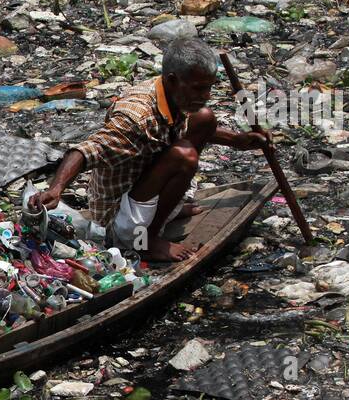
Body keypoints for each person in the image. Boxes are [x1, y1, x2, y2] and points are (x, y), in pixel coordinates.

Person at [31, 37, 271, 262]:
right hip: (119, 215)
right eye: (198, 89)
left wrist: (237, 141)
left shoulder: (170, 95)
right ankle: (146, 241)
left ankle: (169, 209)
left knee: (205, 118)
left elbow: (181, 128)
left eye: (209, 88)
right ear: (172, 79)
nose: (206, 96)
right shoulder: (135, 118)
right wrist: (56, 188)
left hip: (145, 189)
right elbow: (85, 151)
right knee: (184, 157)